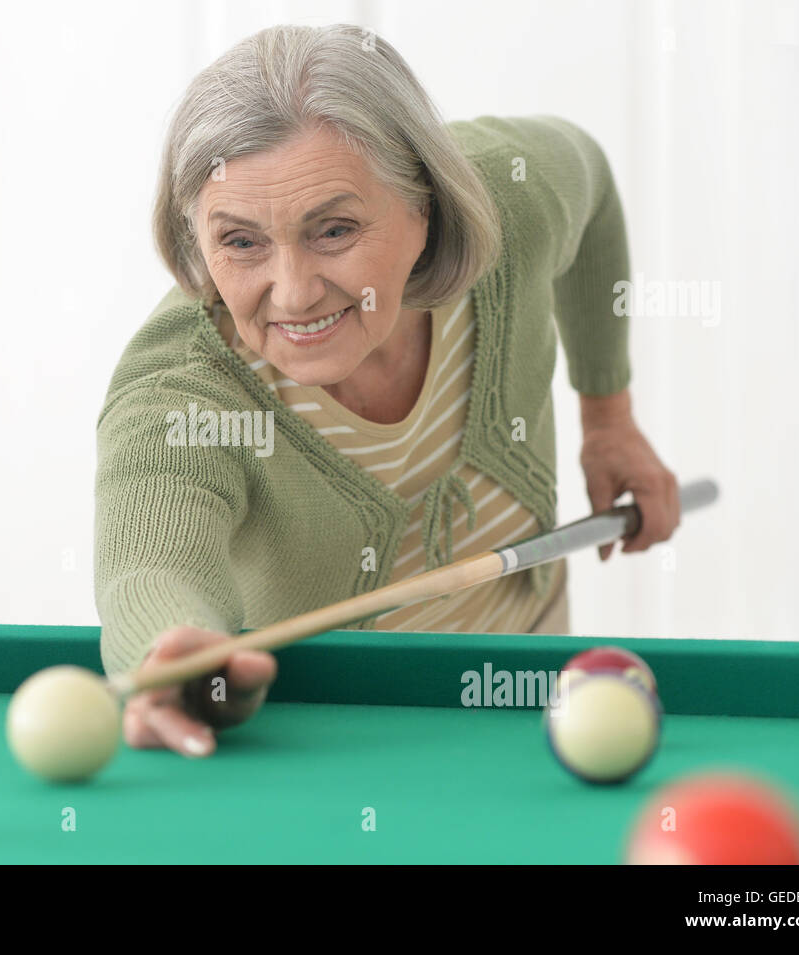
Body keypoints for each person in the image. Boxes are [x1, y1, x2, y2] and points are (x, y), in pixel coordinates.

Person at [95, 24, 680, 758]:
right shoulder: (182, 388)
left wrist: (610, 418)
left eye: (334, 229)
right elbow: (150, 568)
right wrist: (169, 656)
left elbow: (587, 178)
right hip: (334, 766)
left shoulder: (512, 201)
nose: (294, 292)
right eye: (241, 241)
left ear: (424, 204)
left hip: (540, 732)